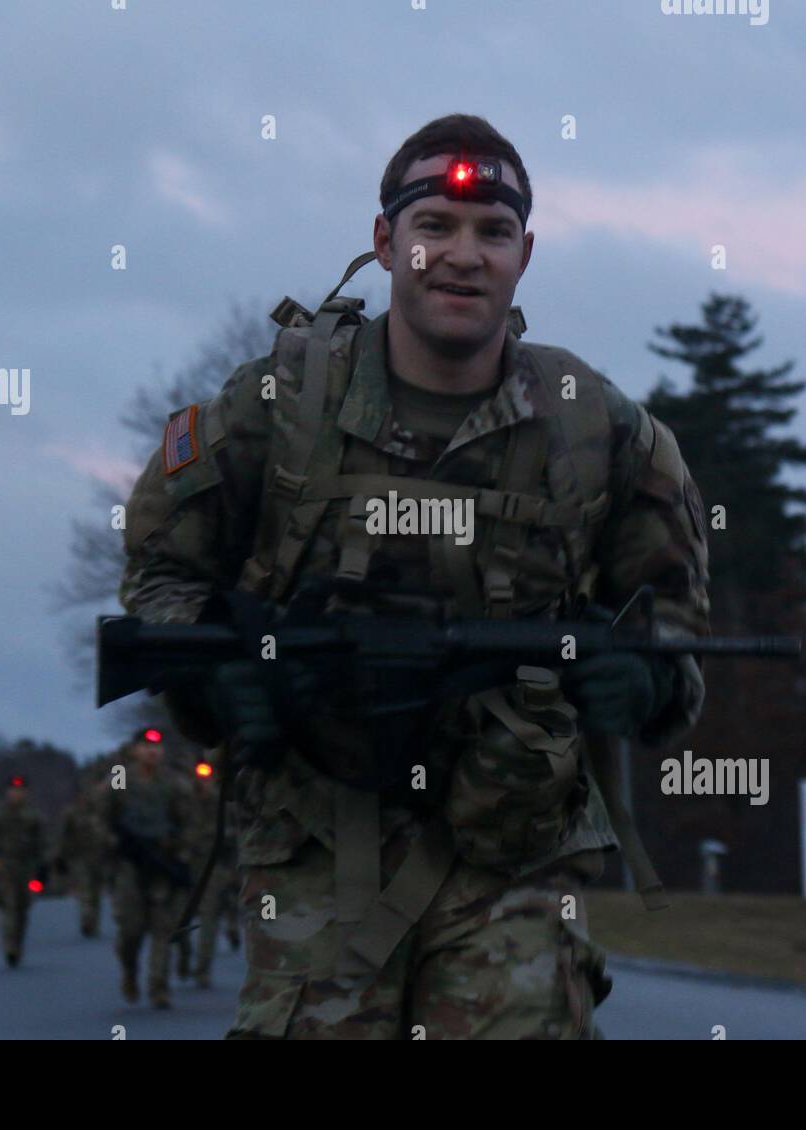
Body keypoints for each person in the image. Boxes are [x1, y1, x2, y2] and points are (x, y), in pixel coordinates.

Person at [119, 114, 711, 1038]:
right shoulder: (276, 407)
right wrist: (217, 673)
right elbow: (161, 573)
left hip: (513, 843)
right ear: (387, 242)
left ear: (526, 255)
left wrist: (646, 676)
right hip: (319, 835)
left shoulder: (595, 427)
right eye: (435, 226)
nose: (463, 255)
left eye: (493, 232)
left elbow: (673, 616)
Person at [96, 728, 193, 1008]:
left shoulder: (174, 783)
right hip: (129, 865)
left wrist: (182, 853)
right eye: (146, 746)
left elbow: (188, 822)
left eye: (158, 746)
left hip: (162, 863)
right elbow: (99, 818)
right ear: (135, 749)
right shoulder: (120, 778)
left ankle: (158, 987)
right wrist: (115, 843)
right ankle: (130, 971)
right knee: (131, 930)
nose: (153, 751)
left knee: (164, 928)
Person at [0, 774, 46, 968]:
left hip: (27, 868)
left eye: (21, 790)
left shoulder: (34, 817)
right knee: (8, 907)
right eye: (13, 790)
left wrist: (44, 867)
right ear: (7, 792)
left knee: (23, 908)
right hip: (4, 867)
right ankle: (10, 948)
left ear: (26, 793)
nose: (17, 794)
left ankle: (18, 943)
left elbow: (43, 844)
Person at [181, 755, 239, 989]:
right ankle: (183, 959)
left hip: (214, 868)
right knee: (176, 917)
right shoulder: (182, 802)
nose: (203, 782)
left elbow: (237, 836)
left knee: (209, 920)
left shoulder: (224, 805)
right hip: (182, 866)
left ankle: (202, 969)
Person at [56, 765, 106, 938]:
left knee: (96, 890)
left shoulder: (103, 812)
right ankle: (87, 919)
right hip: (80, 857)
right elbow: (64, 835)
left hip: (100, 856)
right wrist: (61, 856)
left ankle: (93, 921)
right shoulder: (72, 813)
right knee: (85, 889)